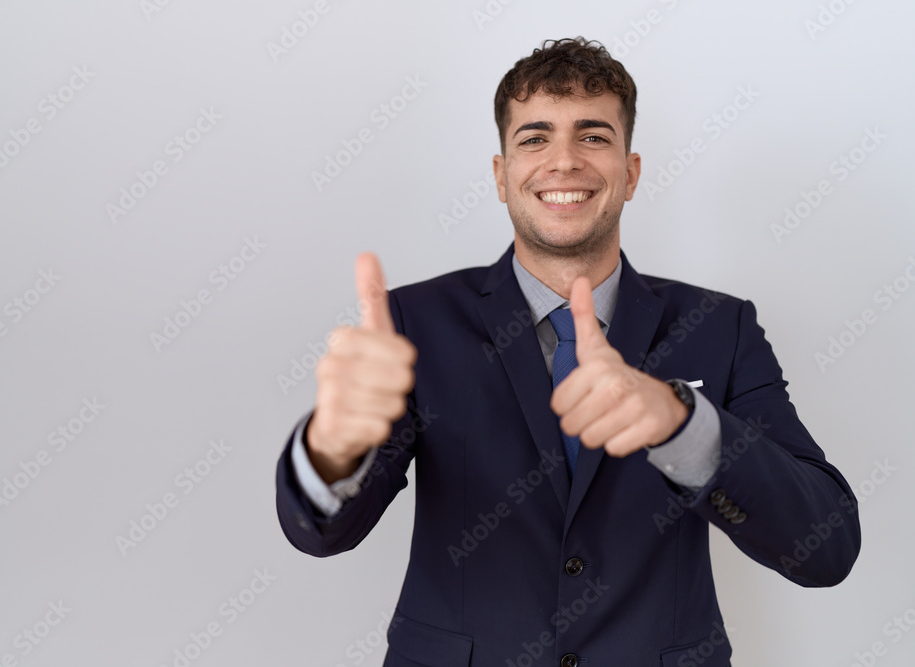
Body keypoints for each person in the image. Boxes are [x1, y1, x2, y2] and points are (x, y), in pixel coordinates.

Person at [275, 37, 860, 666]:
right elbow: (322, 536)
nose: (563, 161)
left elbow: (824, 550)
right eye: (534, 138)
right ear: (501, 176)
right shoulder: (414, 323)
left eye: (593, 135)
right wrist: (331, 449)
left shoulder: (721, 327)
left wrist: (682, 424)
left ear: (630, 173)